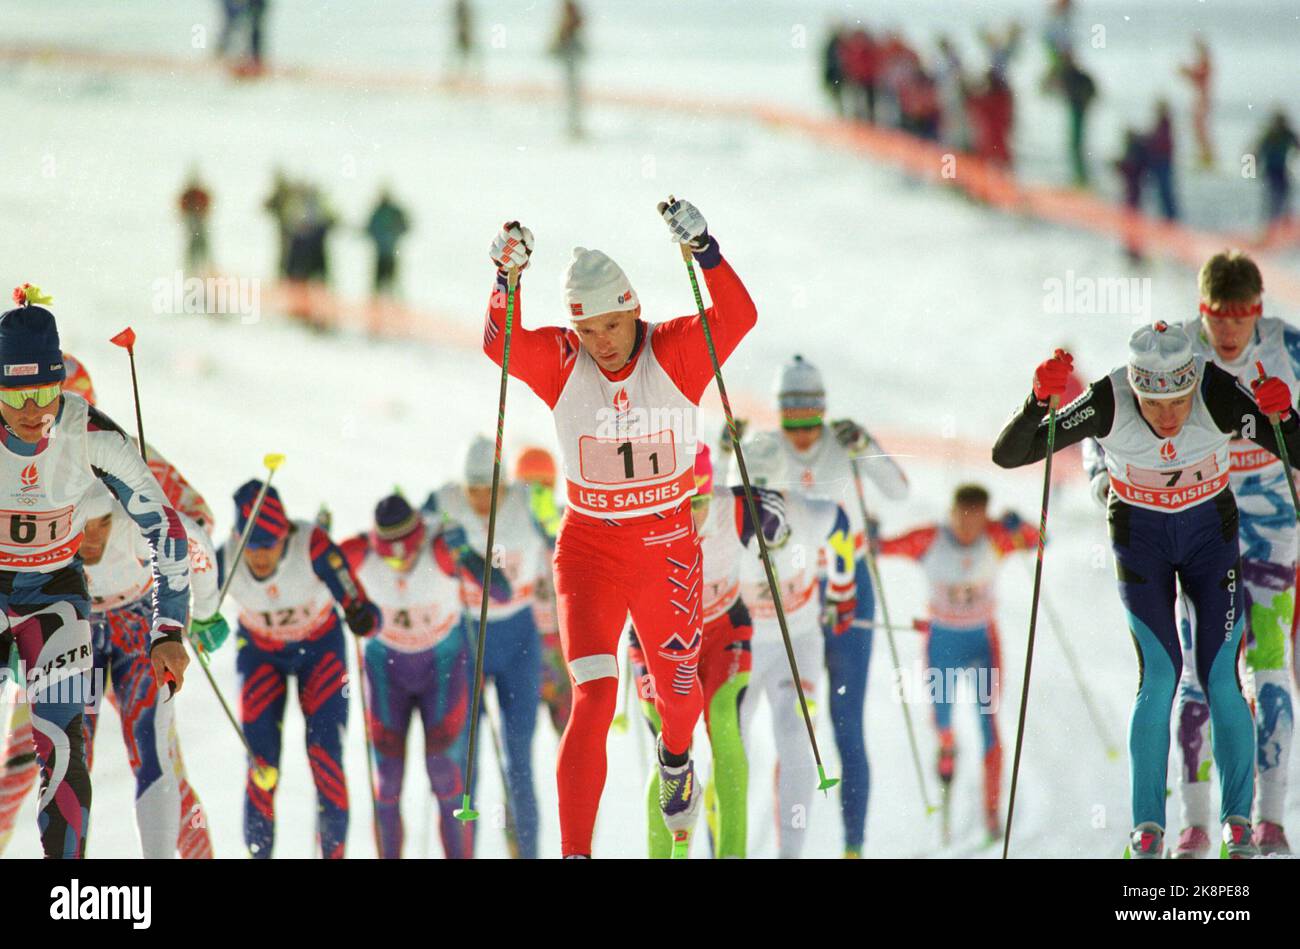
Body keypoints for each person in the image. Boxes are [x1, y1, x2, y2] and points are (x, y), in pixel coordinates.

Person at [481, 197, 756, 857]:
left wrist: (707, 252)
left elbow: (740, 316)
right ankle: (576, 849)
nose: (602, 341)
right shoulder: (563, 359)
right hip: (590, 552)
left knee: (680, 702)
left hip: (666, 552)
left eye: (612, 323)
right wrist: (504, 280)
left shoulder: (677, 352)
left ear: (634, 309)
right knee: (595, 698)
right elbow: (500, 343)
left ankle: (676, 755)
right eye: (588, 327)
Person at [992, 321, 1300, 858]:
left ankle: (1238, 825)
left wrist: (1285, 417)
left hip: (1211, 544)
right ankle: (1148, 830)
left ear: (1190, 384)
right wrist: (1037, 403)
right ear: (1134, 386)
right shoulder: (1109, 399)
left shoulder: (1215, 391)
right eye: (1151, 403)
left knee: (1220, 676)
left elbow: (1295, 448)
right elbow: (1012, 454)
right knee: (1159, 677)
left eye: (1177, 401)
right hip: (1142, 547)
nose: (1166, 416)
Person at [0, 284, 191, 859]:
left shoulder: (88, 432)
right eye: (17, 394)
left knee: (62, 748)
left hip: (54, 594)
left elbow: (167, 527)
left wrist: (170, 628)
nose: (34, 412)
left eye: (46, 391)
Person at [723, 354, 907, 858]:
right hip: (784, 594)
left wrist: (867, 447)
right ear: (779, 414)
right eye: (791, 419)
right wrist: (726, 451)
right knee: (783, 723)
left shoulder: (840, 445)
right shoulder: (765, 453)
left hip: (841, 585)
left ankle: (853, 844)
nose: (802, 433)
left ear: (822, 412)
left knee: (846, 720)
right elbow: (724, 511)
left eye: (810, 419)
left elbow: (899, 491)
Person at [1167, 251, 1296, 856]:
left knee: (1267, 662)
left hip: (1273, 527)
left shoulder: (1287, 350)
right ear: (1202, 311)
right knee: (1200, 671)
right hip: (1202, 527)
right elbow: (1115, 411)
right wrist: (1099, 481)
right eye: (1217, 317)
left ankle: (1269, 818)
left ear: (1257, 312)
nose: (1227, 331)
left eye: (1239, 317)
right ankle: (1196, 821)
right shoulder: (1175, 352)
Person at [210, 480, 379, 858]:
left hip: (319, 651)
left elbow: (361, 605)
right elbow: (194, 608)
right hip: (260, 656)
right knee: (261, 764)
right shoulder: (228, 558)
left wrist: (360, 614)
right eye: (251, 546)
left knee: (325, 756)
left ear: (285, 534)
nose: (259, 557)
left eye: (268, 545)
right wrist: (195, 625)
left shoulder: (313, 544)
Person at [629, 442, 778, 858]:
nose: (691, 512)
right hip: (658, 645)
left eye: (700, 500)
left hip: (721, 635)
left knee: (724, 725)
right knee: (670, 750)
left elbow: (784, 514)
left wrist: (778, 527)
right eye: (679, 502)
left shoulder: (733, 509)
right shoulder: (643, 521)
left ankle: (732, 852)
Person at [342, 493, 503, 859]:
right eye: (390, 554)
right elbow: (313, 568)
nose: (400, 562)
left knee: (446, 776)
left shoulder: (442, 547)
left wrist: (471, 557)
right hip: (388, 672)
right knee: (386, 784)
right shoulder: (360, 552)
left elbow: (501, 591)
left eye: (408, 552)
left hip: (441, 669)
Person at [878, 486, 1038, 842]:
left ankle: (992, 813)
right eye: (962, 517)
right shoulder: (930, 539)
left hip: (982, 643)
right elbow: (882, 549)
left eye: (976, 519)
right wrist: (872, 535)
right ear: (951, 512)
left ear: (985, 517)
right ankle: (947, 752)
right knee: (943, 719)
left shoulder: (996, 537)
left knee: (987, 723)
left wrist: (1022, 526)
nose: (968, 527)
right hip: (943, 644)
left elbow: (1040, 541)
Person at [78, 483, 222, 858]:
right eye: (83, 527)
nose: (93, 538)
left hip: (137, 626)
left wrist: (206, 611)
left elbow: (195, 541)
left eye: (102, 524)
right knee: (69, 752)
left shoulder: (133, 528)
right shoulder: (48, 522)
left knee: (149, 746)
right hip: (77, 628)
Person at [423, 436, 551, 859]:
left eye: (488, 490)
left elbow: (563, 531)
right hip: (464, 643)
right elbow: (405, 549)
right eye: (471, 490)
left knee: (519, 762)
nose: (479, 499)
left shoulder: (529, 500)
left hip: (519, 645)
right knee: (466, 766)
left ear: (505, 486)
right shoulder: (444, 501)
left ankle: (527, 853)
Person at [734, 431, 855, 859]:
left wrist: (843, 590)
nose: (759, 504)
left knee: (795, 735)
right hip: (740, 648)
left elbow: (841, 526)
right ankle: (726, 848)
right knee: (730, 744)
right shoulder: (719, 518)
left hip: (795, 644)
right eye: (747, 493)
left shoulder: (809, 513)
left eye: (768, 493)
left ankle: (791, 853)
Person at [512, 445, 570, 733]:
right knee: (520, 734)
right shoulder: (508, 528)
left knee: (572, 730)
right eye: (528, 485)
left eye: (543, 485)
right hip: (524, 640)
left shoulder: (564, 517)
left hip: (562, 642)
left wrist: (550, 524)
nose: (536, 493)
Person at [1046, 52, 1096, 187]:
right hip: (1075, 108)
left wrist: (1083, 100)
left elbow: (1091, 91)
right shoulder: (1068, 75)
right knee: (1075, 144)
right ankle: (1079, 176)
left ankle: (1081, 177)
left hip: (1078, 109)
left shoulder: (1077, 76)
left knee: (1076, 144)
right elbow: (1048, 87)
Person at [1256, 110, 1299, 241]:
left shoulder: (1286, 134)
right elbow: (1257, 150)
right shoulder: (1271, 135)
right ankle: (1270, 229)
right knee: (1274, 198)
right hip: (1271, 170)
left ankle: (1284, 225)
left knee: (1283, 195)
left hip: (1280, 170)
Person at [549, 1, 586, 139]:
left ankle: (574, 128)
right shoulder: (571, 15)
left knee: (572, 95)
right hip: (571, 58)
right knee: (573, 95)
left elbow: (561, 36)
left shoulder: (569, 15)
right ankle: (574, 127)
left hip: (570, 59)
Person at [365, 188, 410, 300]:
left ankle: (396, 308)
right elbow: (369, 229)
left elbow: (405, 226)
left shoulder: (392, 212)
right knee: (379, 287)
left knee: (392, 286)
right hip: (383, 254)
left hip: (390, 254)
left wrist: (394, 235)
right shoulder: (379, 211)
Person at [1179, 37, 1214, 169]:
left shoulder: (1205, 62)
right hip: (1200, 97)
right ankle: (1204, 157)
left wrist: (1186, 71)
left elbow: (1198, 75)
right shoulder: (1204, 61)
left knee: (1200, 128)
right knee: (1198, 128)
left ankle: (1206, 158)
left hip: (1202, 98)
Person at [1146, 101, 1179, 221]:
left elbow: (1161, 143)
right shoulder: (1162, 124)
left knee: (1165, 192)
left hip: (1163, 163)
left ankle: (1170, 218)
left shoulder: (1164, 124)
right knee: (1163, 193)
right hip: (1161, 162)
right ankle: (1168, 217)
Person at [178, 170, 213, 275]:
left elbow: (207, 203)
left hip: (200, 220)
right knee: (193, 242)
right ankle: (193, 265)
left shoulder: (198, 193)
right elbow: (182, 206)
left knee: (202, 241)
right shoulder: (190, 194)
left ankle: (205, 264)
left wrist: (202, 212)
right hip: (192, 220)